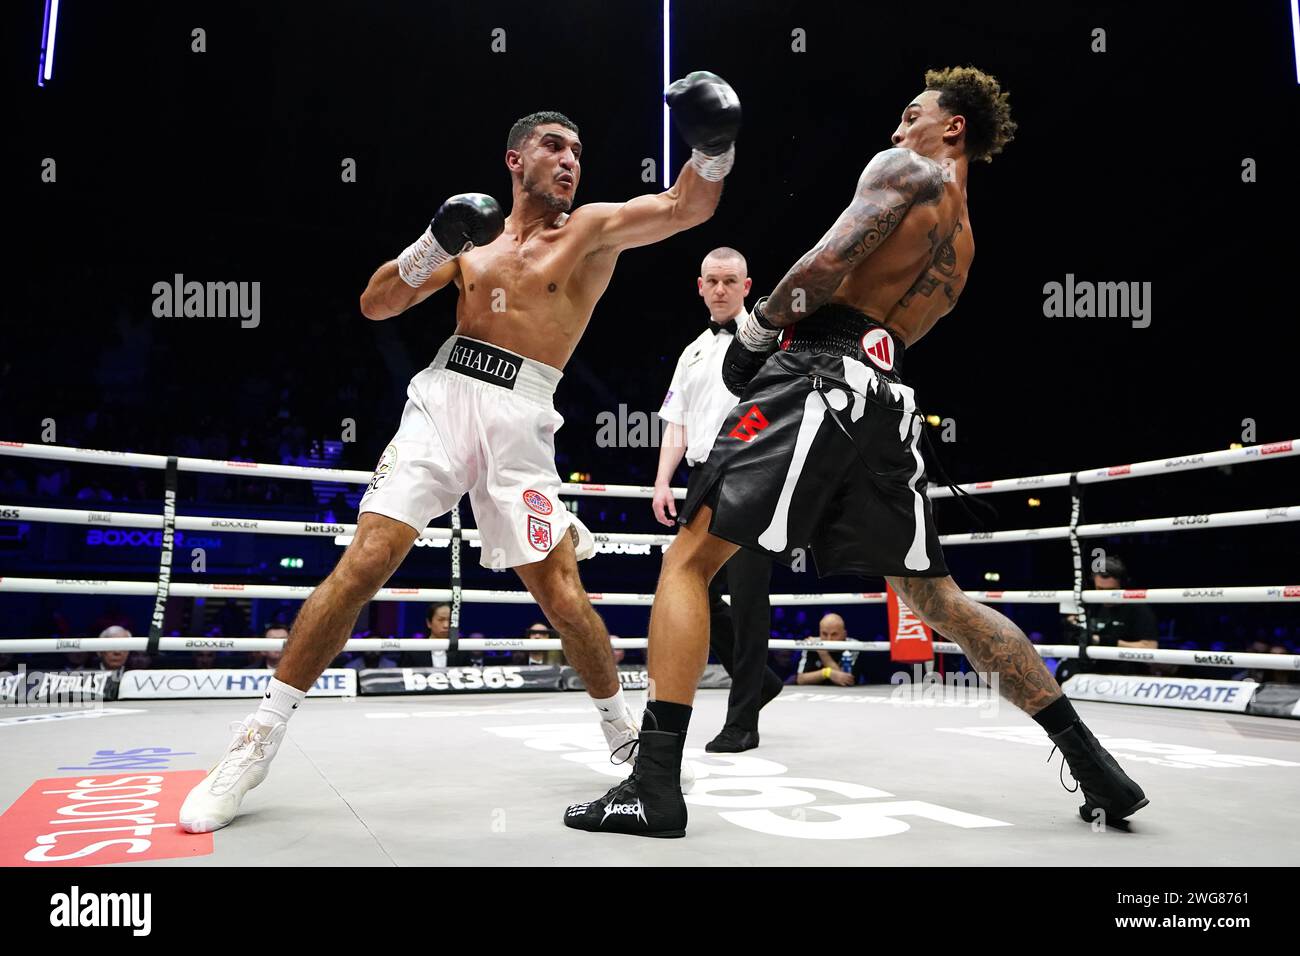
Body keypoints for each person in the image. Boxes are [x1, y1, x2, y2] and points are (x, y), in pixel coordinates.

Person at [566, 67, 1147, 839]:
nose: (898, 128)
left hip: (816, 374)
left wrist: (758, 330)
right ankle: (1099, 767)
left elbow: (827, 261)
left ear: (953, 129)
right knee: (939, 600)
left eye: (913, 115)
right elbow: (897, 327)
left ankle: (653, 786)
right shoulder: (966, 244)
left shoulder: (904, 168)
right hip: (888, 397)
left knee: (689, 559)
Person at [181, 71, 741, 833]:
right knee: (367, 559)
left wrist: (713, 144)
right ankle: (257, 739)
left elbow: (686, 206)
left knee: (564, 601)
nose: (570, 160)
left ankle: (623, 736)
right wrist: (433, 242)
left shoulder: (592, 231)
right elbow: (378, 302)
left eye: (577, 149)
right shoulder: (470, 238)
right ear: (515, 160)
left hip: (523, 420)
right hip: (442, 400)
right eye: (553, 146)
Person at [654, 246, 784, 752]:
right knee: (692, 584)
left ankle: (743, 721)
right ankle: (760, 682)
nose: (722, 289)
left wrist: (748, 450)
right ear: (700, 285)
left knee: (750, 596)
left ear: (747, 287)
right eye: (713, 280)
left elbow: (778, 411)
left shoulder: (772, 343)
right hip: (702, 475)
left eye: (731, 281)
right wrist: (663, 481)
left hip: (754, 471)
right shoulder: (692, 351)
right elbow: (676, 423)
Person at [794, 613, 857, 685]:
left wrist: (823, 653)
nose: (829, 639)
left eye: (834, 634)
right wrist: (827, 672)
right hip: (816, 693)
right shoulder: (813, 644)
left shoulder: (854, 646)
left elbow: (846, 681)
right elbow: (800, 679)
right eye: (824, 634)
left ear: (844, 634)